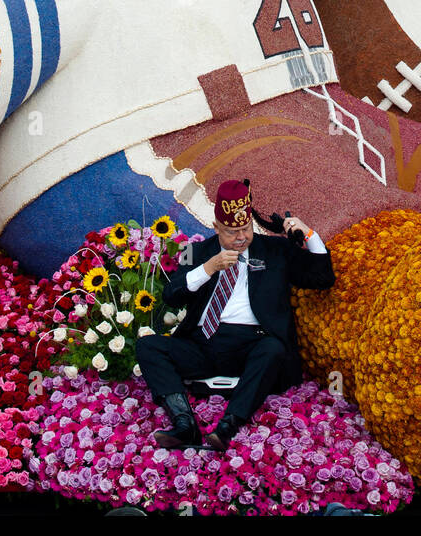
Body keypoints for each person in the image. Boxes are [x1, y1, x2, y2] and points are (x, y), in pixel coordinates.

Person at [136, 180, 334, 452]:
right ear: (217, 227)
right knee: (148, 346)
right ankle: (184, 424)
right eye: (231, 232)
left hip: (252, 346)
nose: (240, 237)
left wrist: (309, 234)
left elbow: (323, 278)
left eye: (245, 229)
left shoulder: (275, 250)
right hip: (202, 344)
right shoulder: (195, 251)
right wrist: (207, 268)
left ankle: (228, 426)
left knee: (274, 348)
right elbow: (171, 295)